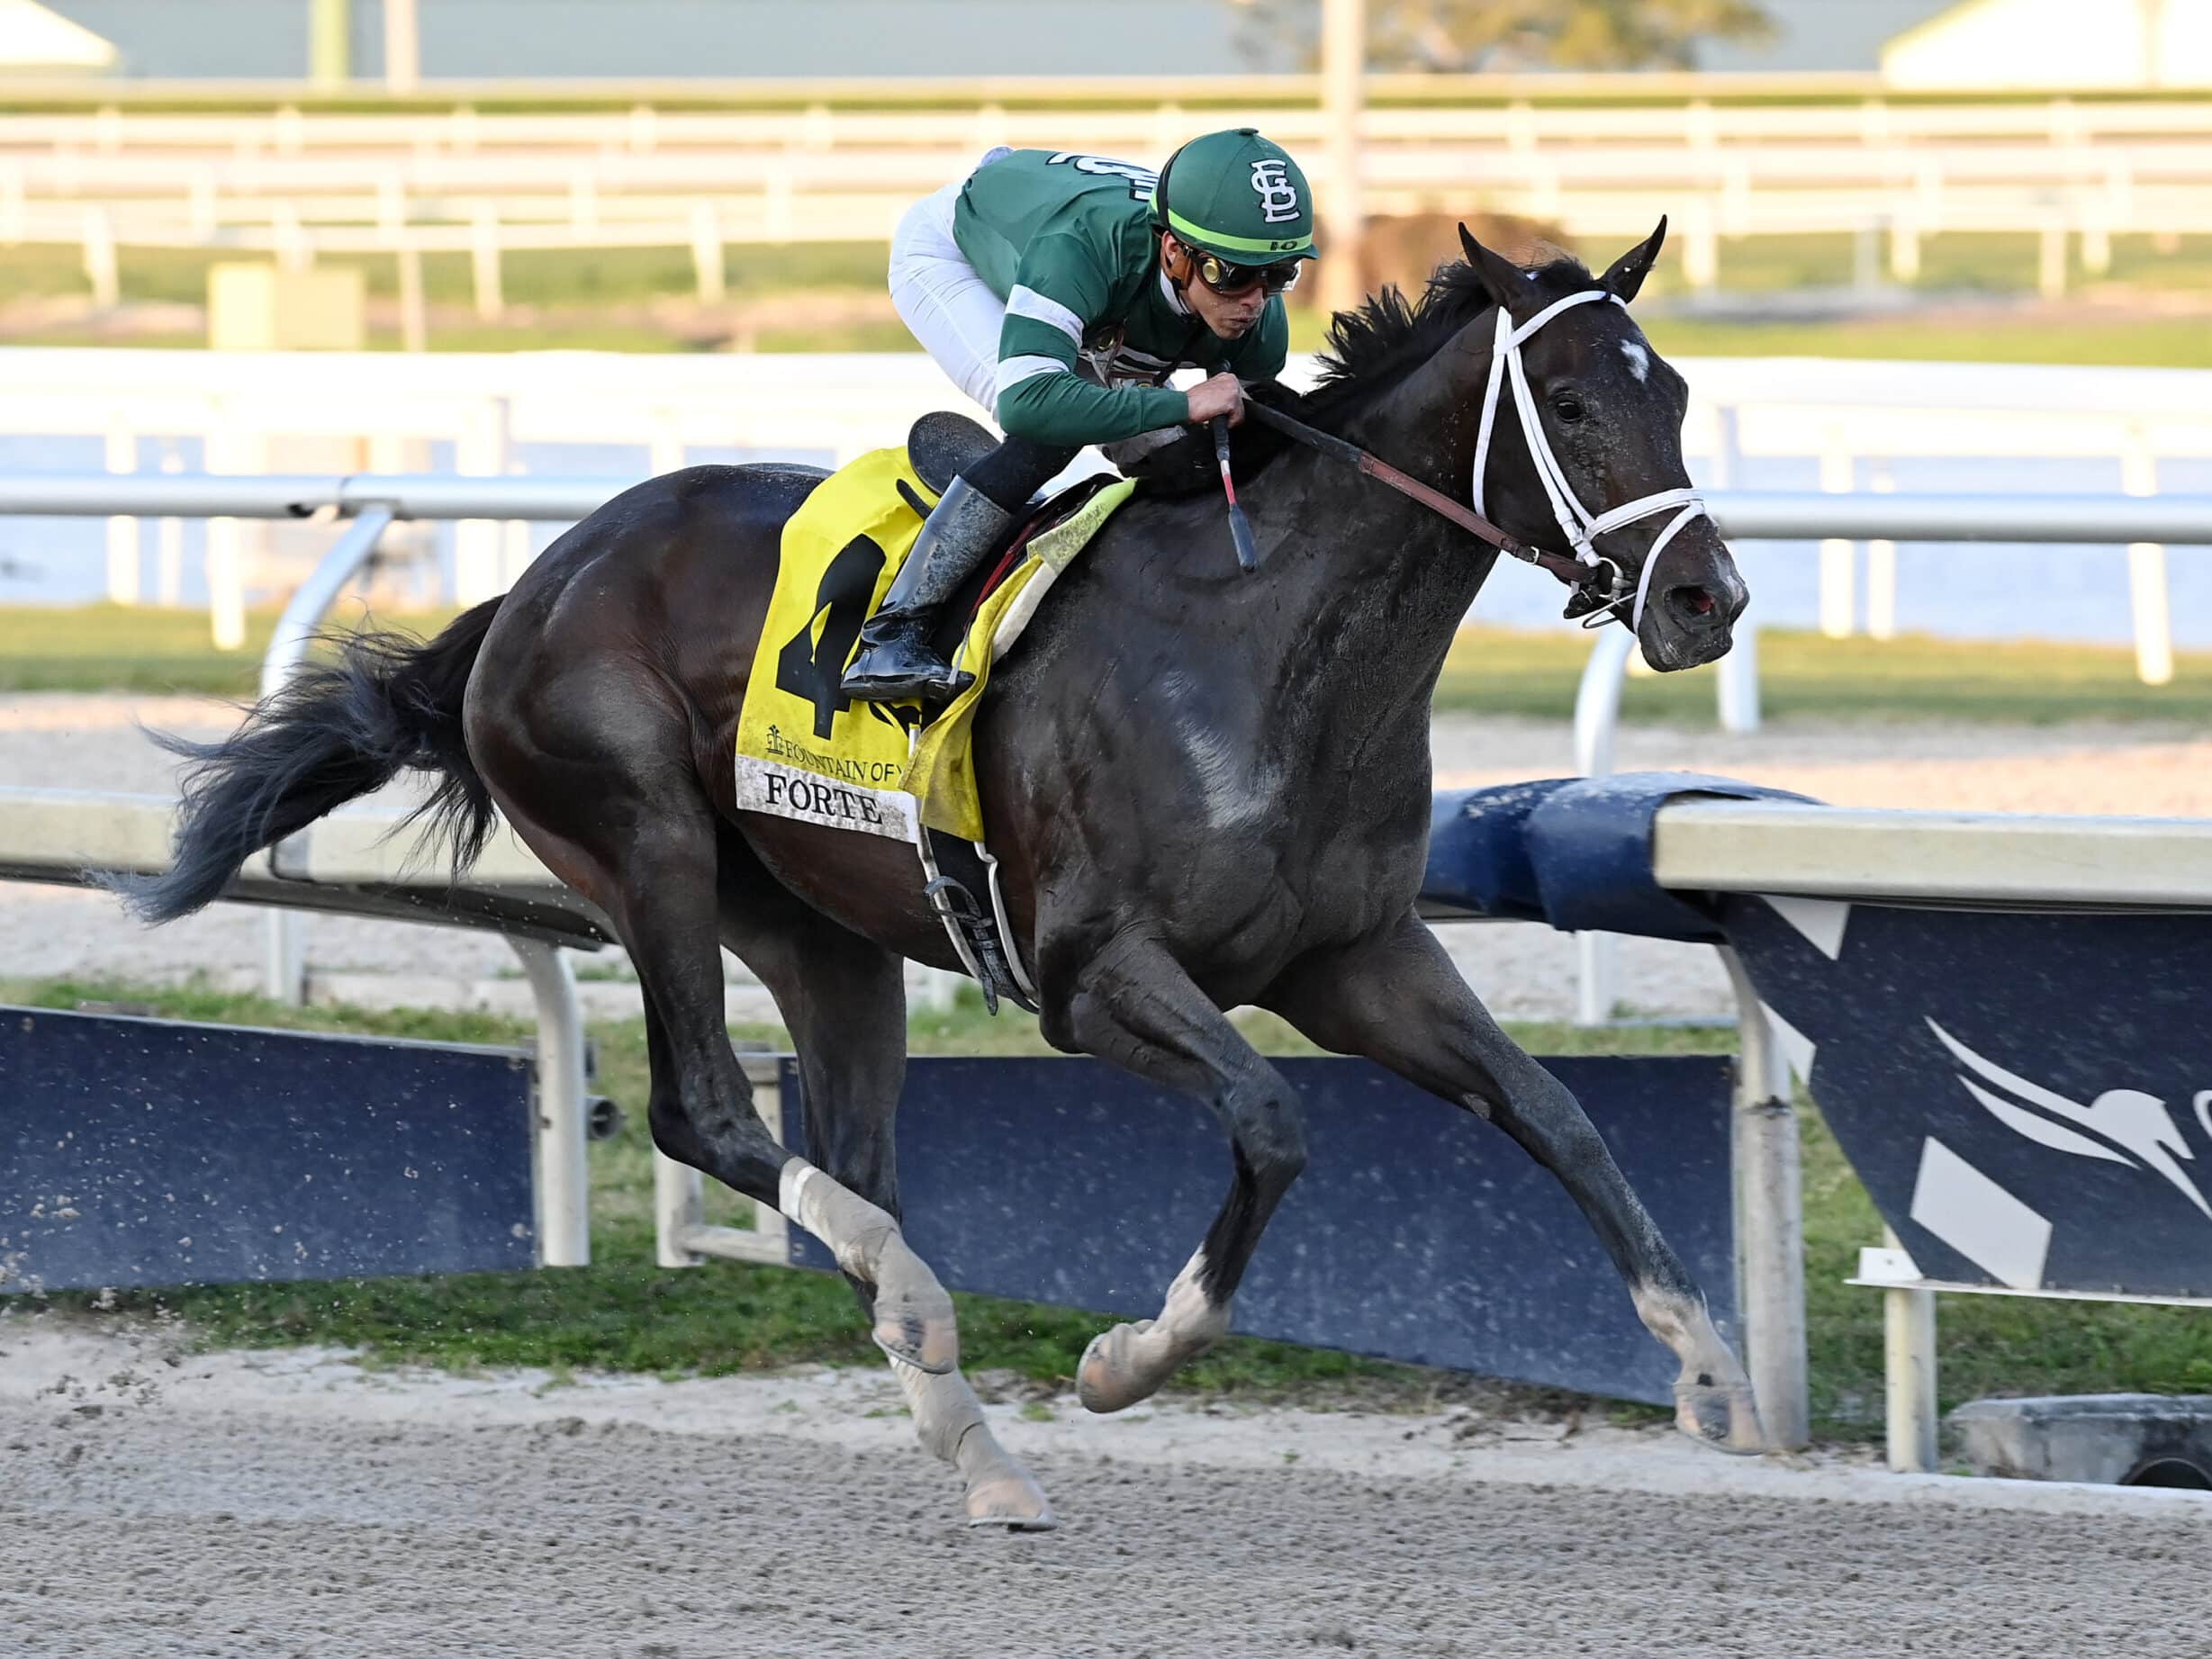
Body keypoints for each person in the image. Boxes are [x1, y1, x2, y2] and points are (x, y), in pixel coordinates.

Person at [840, 129, 1318, 705]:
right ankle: (892, 635)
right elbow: (1031, 402)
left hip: (1103, 299)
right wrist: (1182, 402)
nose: (1254, 301)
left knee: (1173, 454)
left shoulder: (1256, 315)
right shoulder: (1084, 249)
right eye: (1232, 276)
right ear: (1174, 252)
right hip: (959, 257)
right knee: (1047, 436)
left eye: (1279, 274)